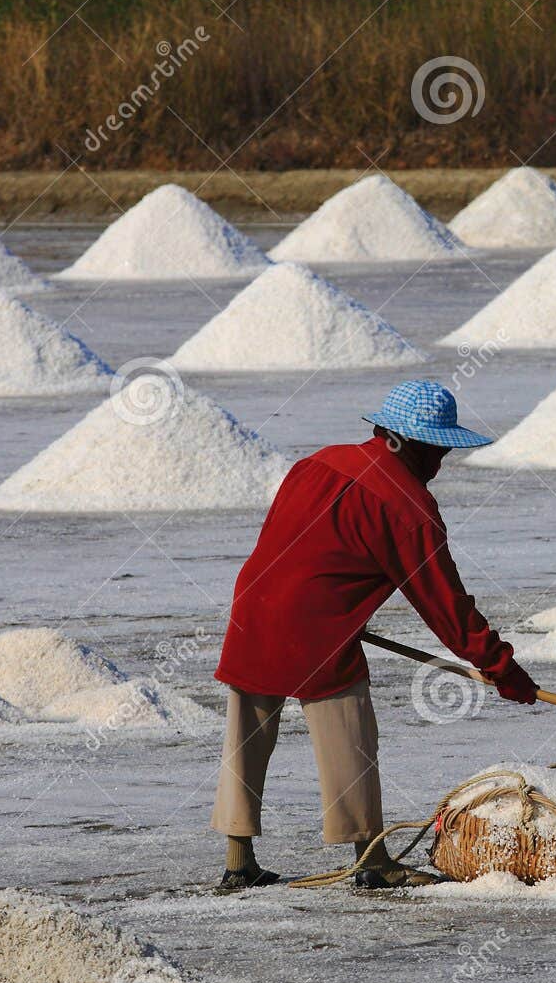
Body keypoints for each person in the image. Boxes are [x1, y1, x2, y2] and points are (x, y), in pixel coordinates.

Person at [209, 380, 537, 890]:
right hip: (318, 630)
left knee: (246, 735)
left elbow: (300, 547)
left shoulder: (316, 462)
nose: (440, 463)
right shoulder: (407, 507)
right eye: (436, 449)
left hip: (253, 605)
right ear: (404, 441)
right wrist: (500, 667)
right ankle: (372, 858)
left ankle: (238, 859)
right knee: (350, 733)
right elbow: (446, 607)